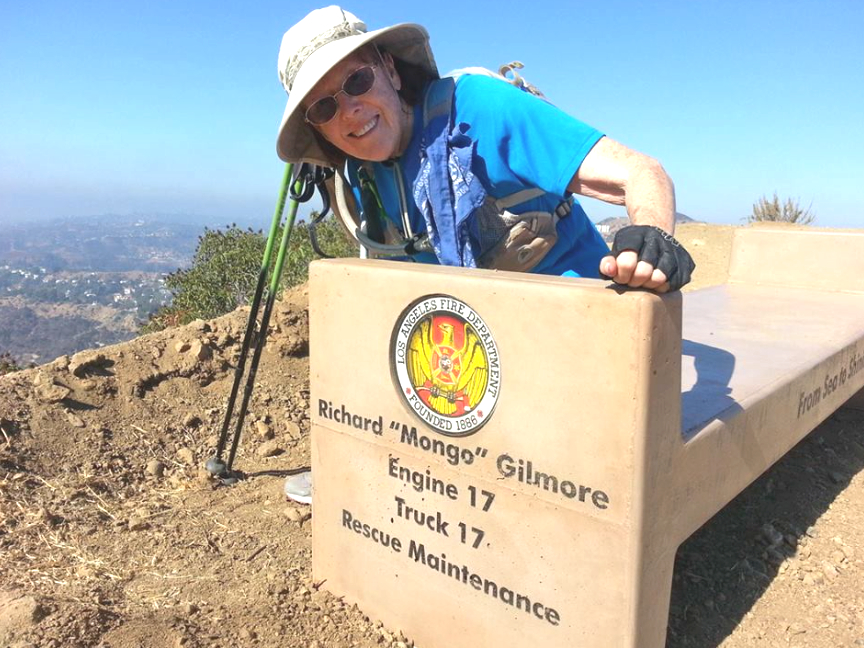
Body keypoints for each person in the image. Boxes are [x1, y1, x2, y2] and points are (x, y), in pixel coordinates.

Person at [276, 6, 695, 503]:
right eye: (324, 108)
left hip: (575, 346)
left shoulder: (481, 109)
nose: (348, 110)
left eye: (357, 81)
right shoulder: (363, 174)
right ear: (320, 130)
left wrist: (651, 236)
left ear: (390, 69)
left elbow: (641, 173)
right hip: (468, 356)